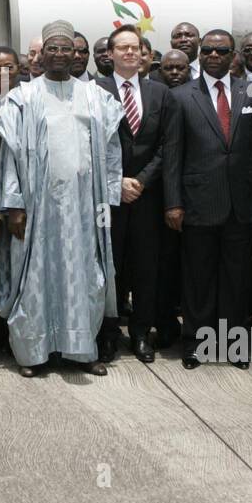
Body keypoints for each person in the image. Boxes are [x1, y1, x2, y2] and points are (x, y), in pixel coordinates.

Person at [0, 19, 123, 377]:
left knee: (85, 274)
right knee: (34, 275)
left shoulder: (97, 97)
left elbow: (112, 151)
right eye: (53, 48)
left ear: (76, 54)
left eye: (67, 48)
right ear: (41, 54)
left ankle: (82, 351)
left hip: (85, 207)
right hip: (38, 206)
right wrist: (14, 204)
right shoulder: (22, 97)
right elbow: (8, 156)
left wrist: (108, 199)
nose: (60, 54)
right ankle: (32, 353)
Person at [165, 28, 252, 368]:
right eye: (208, 50)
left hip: (242, 203)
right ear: (199, 55)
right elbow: (173, 154)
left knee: (237, 279)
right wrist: (173, 202)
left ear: (233, 56)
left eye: (221, 50)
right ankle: (196, 341)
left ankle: (234, 344)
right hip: (198, 202)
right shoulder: (181, 96)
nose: (214, 55)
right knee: (198, 277)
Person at [97, 25, 176, 363]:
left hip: (147, 196)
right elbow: (90, 145)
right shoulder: (94, 92)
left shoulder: (160, 93)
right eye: (123, 48)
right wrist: (116, 181)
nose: (130, 53)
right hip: (108, 197)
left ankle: (141, 333)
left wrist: (140, 180)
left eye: (136, 48)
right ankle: (108, 334)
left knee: (147, 268)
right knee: (110, 267)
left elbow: (167, 145)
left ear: (145, 55)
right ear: (110, 54)